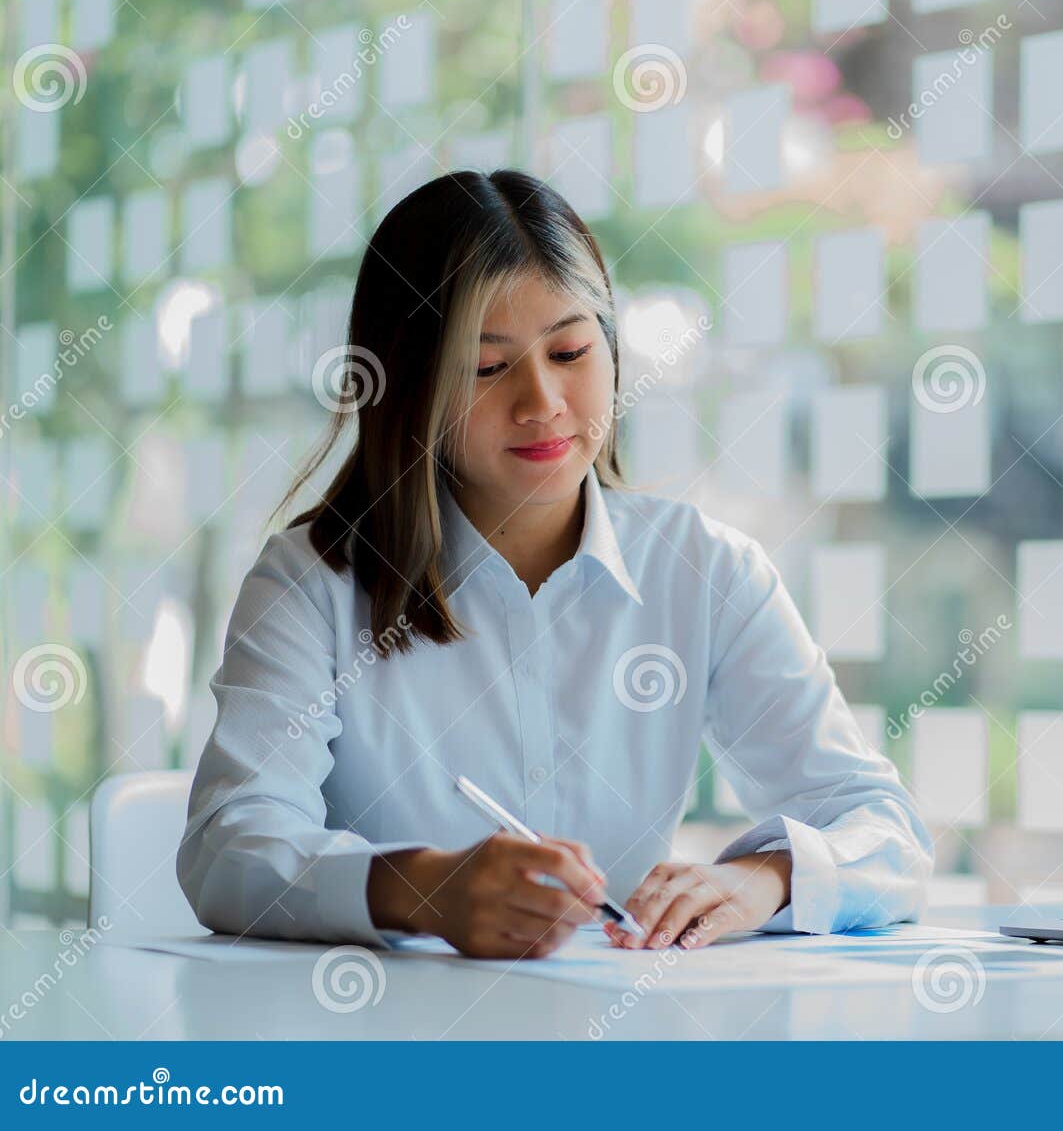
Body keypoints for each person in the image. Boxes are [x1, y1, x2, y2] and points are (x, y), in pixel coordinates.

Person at [176, 169, 934, 960]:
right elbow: (228, 846)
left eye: (570, 350)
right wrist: (424, 888)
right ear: (408, 386)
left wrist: (765, 877)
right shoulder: (311, 584)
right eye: (486, 367)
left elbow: (886, 831)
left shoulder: (704, 570)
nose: (541, 401)